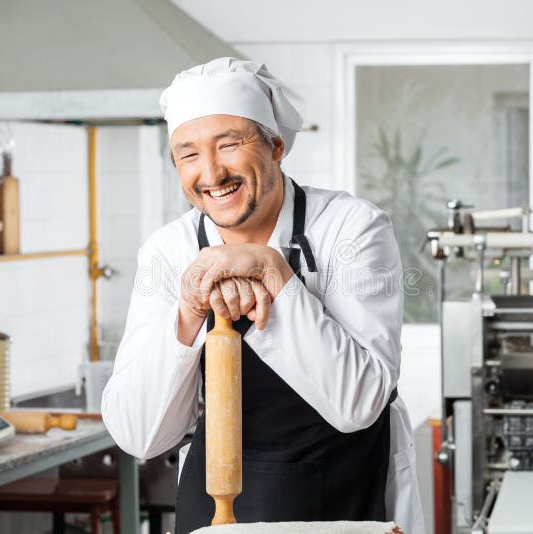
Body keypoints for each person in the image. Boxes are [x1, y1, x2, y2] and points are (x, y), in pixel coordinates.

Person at [101, 57, 425, 534]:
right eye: (188, 154)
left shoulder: (349, 229)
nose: (211, 173)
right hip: (218, 507)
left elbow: (359, 403)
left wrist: (276, 275)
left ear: (275, 146)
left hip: (342, 500)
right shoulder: (168, 252)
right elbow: (140, 435)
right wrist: (189, 314)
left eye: (229, 145)